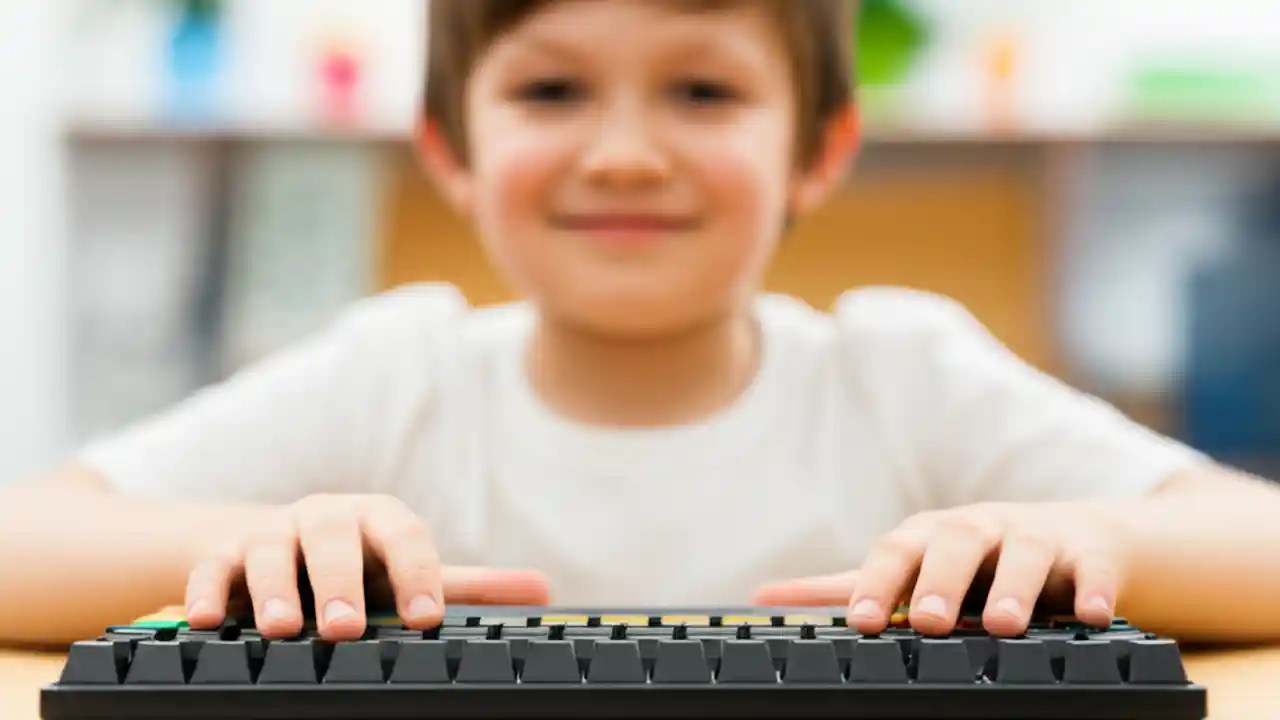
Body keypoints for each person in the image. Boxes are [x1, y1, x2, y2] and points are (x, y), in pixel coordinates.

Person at [4, 0, 1279, 648]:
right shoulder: (399, 369)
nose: (622, 154)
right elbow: (25, 547)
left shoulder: (903, 370)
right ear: (450, 148)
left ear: (816, 149)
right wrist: (255, 541)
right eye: (552, 88)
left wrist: (1082, 532)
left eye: (702, 89)